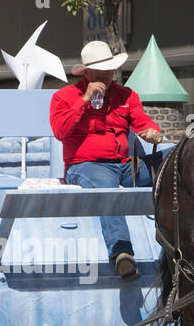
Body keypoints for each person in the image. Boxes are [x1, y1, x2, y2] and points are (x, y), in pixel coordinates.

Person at [49, 40, 164, 279]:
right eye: (101, 73)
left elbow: (143, 122)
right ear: (87, 73)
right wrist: (84, 101)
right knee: (106, 188)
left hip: (124, 164)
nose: (107, 76)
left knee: (173, 167)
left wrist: (152, 131)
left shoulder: (126, 95)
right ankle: (122, 254)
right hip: (85, 165)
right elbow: (60, 131)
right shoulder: (65, 96)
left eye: (110, 71)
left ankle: (192, 243)